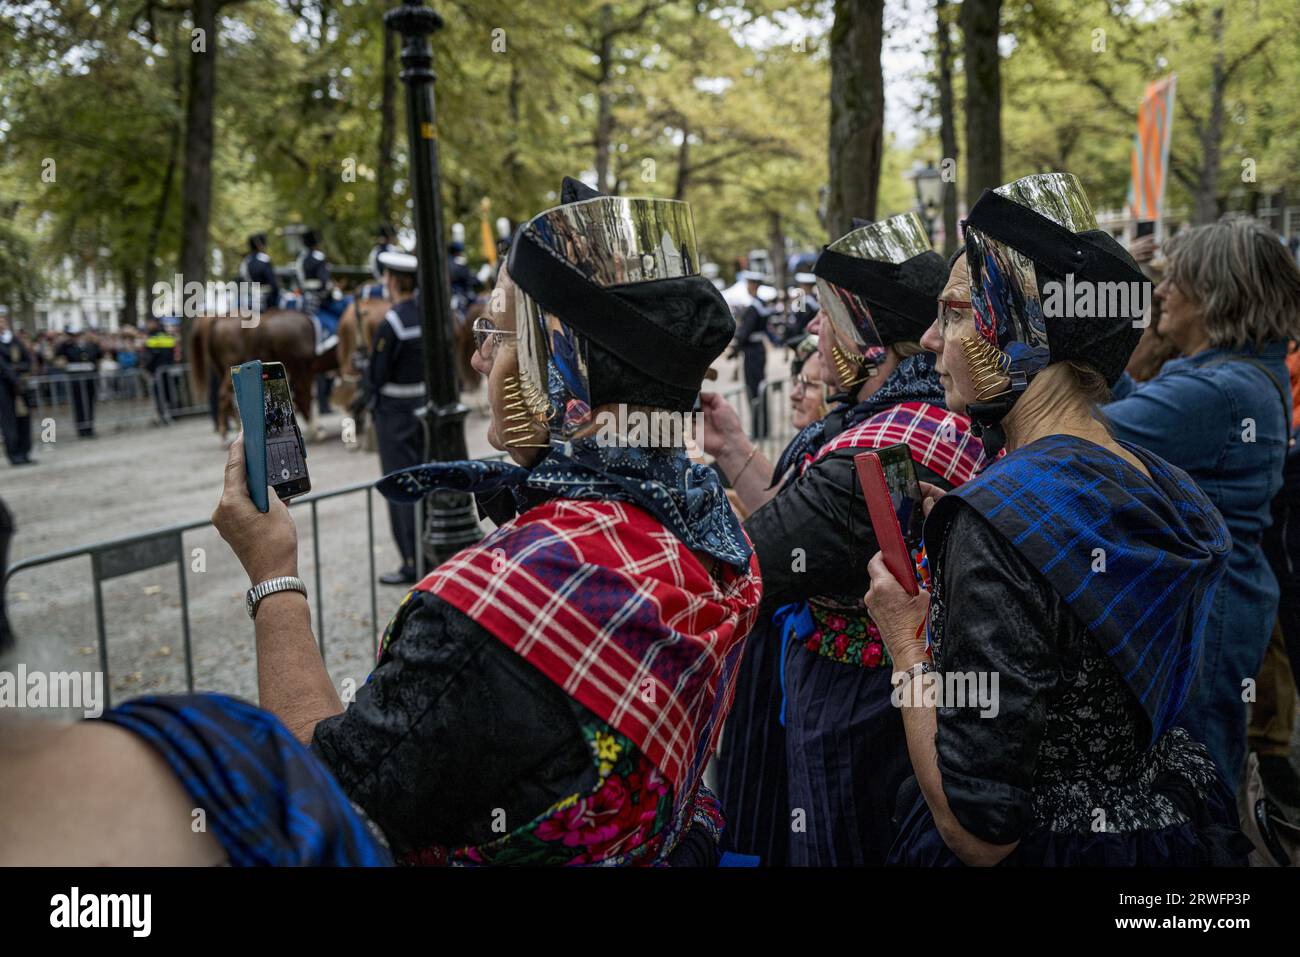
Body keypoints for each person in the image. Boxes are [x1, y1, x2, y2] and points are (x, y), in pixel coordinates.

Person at [212, 176, 761, 866]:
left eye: (498, 333)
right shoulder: (714, 522)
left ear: (575, 388)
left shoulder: (498, 606)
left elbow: (320, 796)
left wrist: (272, 573)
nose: (476, 357)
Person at [866, 172, 1250, 866]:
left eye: (954, 313)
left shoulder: (996, 523)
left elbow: (977, 829)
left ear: (1017, 337)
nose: (928, 338)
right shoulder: (1168, 484)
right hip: (1164, 835)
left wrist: (905, 645)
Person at [706, 213, 984, 867]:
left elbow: (757, 559)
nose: (811, 329)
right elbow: (808, 527)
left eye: (826, 313)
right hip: (882, 699)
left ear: (871, 343)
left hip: (856, 708)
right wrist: (734, 449)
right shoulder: (923, 417)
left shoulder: (877, 446)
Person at [1102, 216, 1300, 792]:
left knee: (1196, 790)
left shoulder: (1217, 391)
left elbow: (1086, 434)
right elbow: (1142, 410)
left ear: (1216, 295)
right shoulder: (1230, 375)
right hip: (1223, 601)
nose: (1160, 292)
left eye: (1175, 280)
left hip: (1204, 615)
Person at [366, 249, 426, 585]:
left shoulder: (391, 323)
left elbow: (376, 374)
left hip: (394, 415)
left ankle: (410, 561)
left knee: (400, 485)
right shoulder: (425, 314)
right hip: (421, 407)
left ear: (393, 280)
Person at [729, 285, 777, 439]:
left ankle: (758, 430)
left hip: (751, 353)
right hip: (759, 350)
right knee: (760, 390)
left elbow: (744, 332)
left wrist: (734, 350)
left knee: (753, 391)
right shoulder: (762, 306)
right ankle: (764, 428)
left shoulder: (752, 309)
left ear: (753, 287)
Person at [0, 308, 36, 465]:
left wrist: (19, 372)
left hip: (21, 385)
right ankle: (14, 455)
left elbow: (27, 361)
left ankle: (25, 451)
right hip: (4, 387)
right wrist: (15, 377)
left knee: (24, 419)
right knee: (9, 421)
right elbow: (3, 367)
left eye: (3, 319)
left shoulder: (15, 341)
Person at [55, 325, 101, 438]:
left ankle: (90, 427)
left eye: (78, 335)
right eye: (73, 335)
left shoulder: (91, 345)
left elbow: (97, 356)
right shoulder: (66, 346)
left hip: (89, 378)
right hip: (75, 379)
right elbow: (58, 355)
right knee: (78, 404)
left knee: (89, 403)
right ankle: (81, 429)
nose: (76, 337)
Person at [142, 315, 178, 425]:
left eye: (149, 323)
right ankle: (170, 415)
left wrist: (148, 369)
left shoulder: (151, 339)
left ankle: (163, 416)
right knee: (168, 394)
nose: (147, 325)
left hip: (157, 372)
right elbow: (172, 354)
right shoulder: (168, 337)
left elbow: (149, 357)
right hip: (166, 371)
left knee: (160, 395)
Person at [239, 232, 280, 313]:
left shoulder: (245, 262)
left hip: (251, 298)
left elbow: (242, 279)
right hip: (267, 300)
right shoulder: (264, 259)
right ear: (259, 245)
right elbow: (273, 284)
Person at [295, 229, 330, 319]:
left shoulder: (300, 258)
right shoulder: (319, 257)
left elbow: (299, 279)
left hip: (304, 296)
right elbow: (324, 282)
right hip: (319, 299)